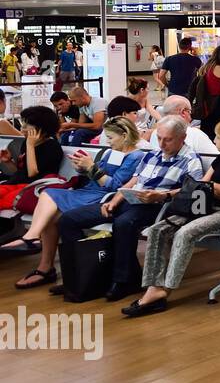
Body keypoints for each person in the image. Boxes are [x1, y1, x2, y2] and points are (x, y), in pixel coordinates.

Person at [122, 117, 220, 318]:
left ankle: (166, 290)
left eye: (218, 136)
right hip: (206, 207)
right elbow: (201, 187)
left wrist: (213, 188)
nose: (214, 139)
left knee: (185, 233)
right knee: (158, 230)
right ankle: (153, 287)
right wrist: (218, 190)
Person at [57, 115, 203, 301]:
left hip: (157, 205)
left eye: (168, 139)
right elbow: (134, 181)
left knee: (124, 223)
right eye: (159, 138)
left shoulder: (190, 160)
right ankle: (79, 274)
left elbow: (191, 190)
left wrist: (162, 195)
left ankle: (123, 280)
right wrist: (115, 200)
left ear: (182, 138)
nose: (162, 143)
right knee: (68, 219)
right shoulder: (151, 155)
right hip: (130, 199)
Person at [6, 117, 145, 289]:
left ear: (124, 135)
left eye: (110, 138)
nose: (107, 142)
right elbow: (96, 176)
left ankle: (36, 245)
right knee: (49, 202)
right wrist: (83, 168)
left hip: (102, 197)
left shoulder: (137, 156)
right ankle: (40, 250)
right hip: (89, 192)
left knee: (50, 200)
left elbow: (116, 186)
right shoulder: (111, 153)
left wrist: (91, 167)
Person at [0, 106, 64, 211]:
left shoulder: (52, 147)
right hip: (15, 184)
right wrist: (8, 162)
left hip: (32, 189)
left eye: (26, 125)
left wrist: (30, 146)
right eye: (22, 124)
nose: (22, 129)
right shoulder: (26, 143)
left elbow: (32, 173)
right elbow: (20, 172)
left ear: (40, 128)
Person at [147, 95, 218, 154]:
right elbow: (214, 159)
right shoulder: (195, 134)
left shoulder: (155, 134)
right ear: (183, 112)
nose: (190, 118)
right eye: (190, 112)